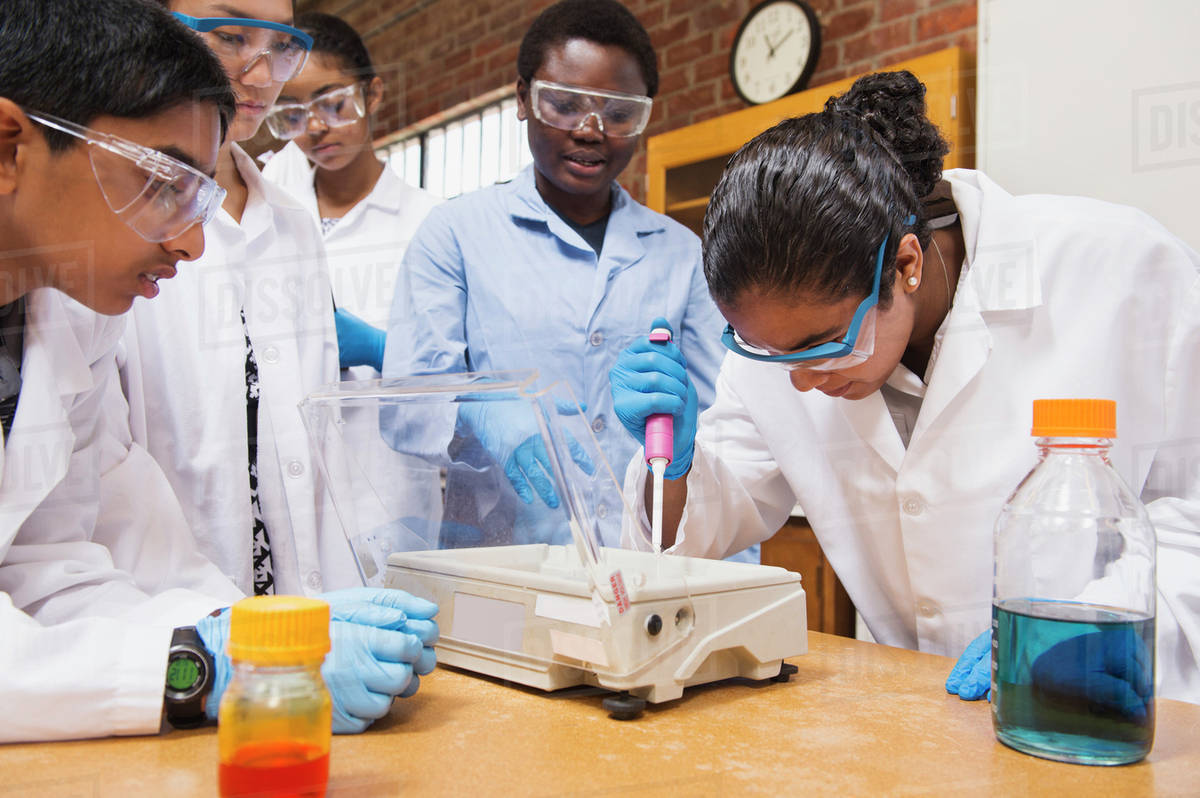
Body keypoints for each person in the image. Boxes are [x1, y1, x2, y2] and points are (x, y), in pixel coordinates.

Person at [609, 70, 1200, 704]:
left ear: (908, 264)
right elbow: (706, 524)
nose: (802, 380)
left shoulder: (1121, 268)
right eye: (770, 354)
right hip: (916, 712)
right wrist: (673, 466)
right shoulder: (781, 334)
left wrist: (1089, 629)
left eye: (825, 344)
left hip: (1115, 707)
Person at [0, 0, 435, 742]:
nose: (194, 244)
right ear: (10, 146)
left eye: (199, 194)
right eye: (163, 182)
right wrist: (199, 665)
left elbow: (54, 563)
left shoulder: (62, 320)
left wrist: (252, 629)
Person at [384, 0, 753, 558]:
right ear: (521, 100)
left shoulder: (682, 254)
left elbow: (723, 424)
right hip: (506, 562)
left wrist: (729, 568)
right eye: (562, 105)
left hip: (645, 563)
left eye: (619, 113)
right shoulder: (457, 233)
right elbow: (403, 406)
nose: (591, 131)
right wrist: (476, 411)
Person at [120, 0, 354, 597]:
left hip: (292, 615)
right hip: (158, 617)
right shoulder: (116, 219)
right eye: (229, 38)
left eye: (279, 47)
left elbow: (316, 447)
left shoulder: (294, 224)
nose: (260, 75)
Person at [261, 12, 442, 375]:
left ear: (372, 94)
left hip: (381, 429)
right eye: (293, 113)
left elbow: (456, 364)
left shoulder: (430, 221)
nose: (315, 127)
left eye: (333, 104)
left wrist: (383, 350)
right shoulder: (270, 209)